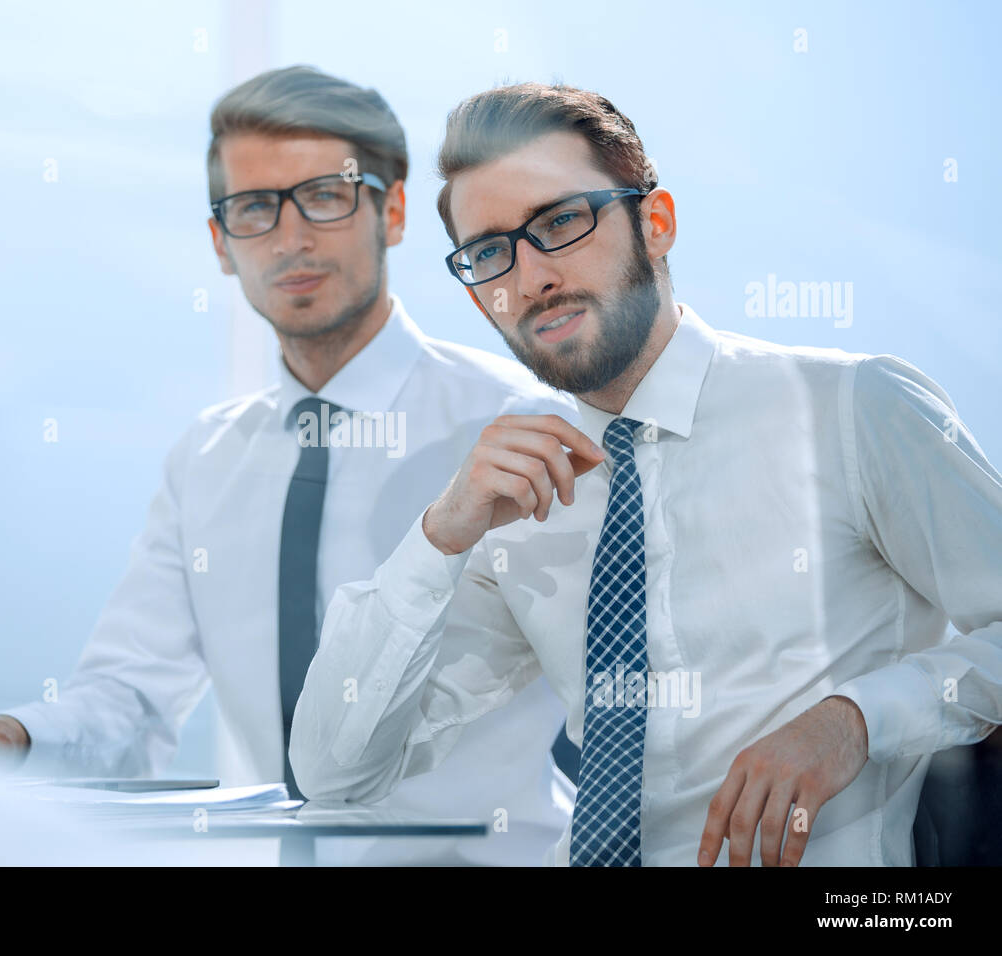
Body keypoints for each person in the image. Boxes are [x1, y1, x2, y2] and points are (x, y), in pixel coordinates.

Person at [289, 81, 1002, 866]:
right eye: (490, 252)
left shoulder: (849, 408)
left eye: (560, 222)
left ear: (654, 223)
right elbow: (334, 774)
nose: (530, 281)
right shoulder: (511, 501)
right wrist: (439, 536)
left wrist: (857, 720)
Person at [0, 66, 580, 865]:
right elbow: (133, 701)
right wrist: (11, 740)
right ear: (222, 244)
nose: (291, 239)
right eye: (255, 208)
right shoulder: (207, 462)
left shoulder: (514, 424)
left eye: (325, 194)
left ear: (390, 211)